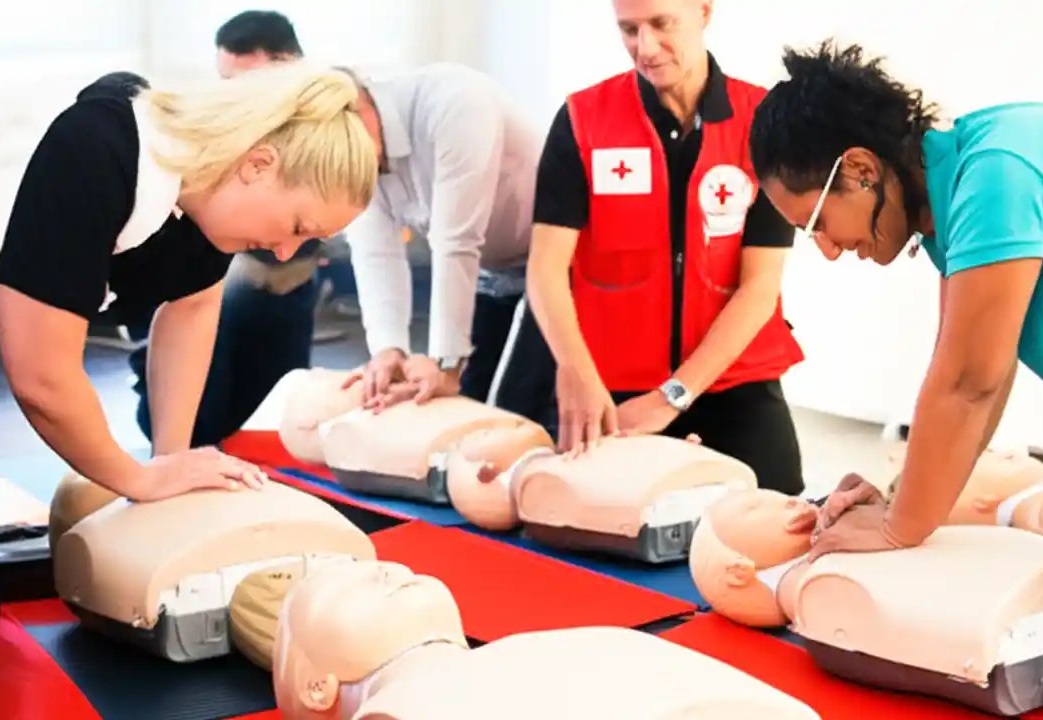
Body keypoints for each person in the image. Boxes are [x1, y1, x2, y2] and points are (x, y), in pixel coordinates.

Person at [748, 40, 1043, 718]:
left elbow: (969, 384)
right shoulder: (965, 196)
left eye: (818, 224)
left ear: (859, 170)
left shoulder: (998, 174)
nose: (828, 251)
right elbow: (978, 376)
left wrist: (897, 527)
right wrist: (893, 499)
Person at [0, 59, 378, 513]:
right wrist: (138, 479)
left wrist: (171, 460)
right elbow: (42, 377)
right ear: (257, 164)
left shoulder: (213, 201)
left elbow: (192, 307)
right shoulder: (98, 149)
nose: (284, 253)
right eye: (297, 226)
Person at [526, 0, 806, 494]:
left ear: (703, 11)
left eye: (661, 24)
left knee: (778, 513)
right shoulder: (582, 119)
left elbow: (761, 286)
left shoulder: (762, 121)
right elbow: (546, 268)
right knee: (579, 516)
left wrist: (673, 396)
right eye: (629, 30)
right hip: (610, 384)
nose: (645, 48)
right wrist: (575, 372)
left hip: (729, 379)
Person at [123, 10, 336, 449]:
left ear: (289, 63)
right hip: (216, 286)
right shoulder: (218, 127)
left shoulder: (323, 131)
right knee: (197, 420)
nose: (239, 94)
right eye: (228, 80)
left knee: (272, 424)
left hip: (283, 287)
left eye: (250, 81)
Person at [342, 63, 547, 426]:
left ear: (360, 109)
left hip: (555, 261)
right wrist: (389, 349)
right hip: (490, 268)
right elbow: (375, 251)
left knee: (508, 408)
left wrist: (446, 364)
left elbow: (456, 242)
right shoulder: (354, 149)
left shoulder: (454, 102)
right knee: (466, 404)